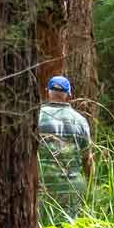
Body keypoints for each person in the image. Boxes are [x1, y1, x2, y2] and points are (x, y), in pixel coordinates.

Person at [37, 73, 94, 218]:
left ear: (47, 92)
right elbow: (87, 159)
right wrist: (90, 187)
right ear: (68, 95)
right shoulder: (81, 121)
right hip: (71, 188)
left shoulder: (36, 116)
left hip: (41, 187)